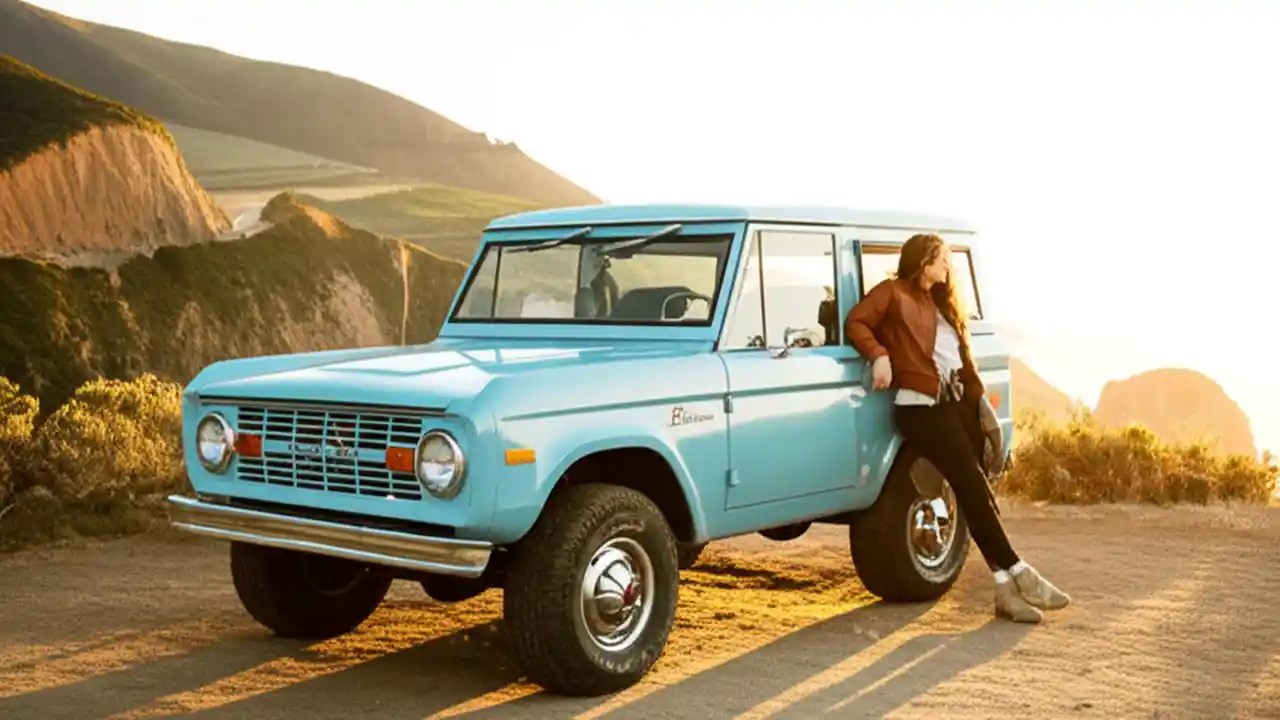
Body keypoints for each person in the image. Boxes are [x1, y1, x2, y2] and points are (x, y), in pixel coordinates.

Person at [844, 233, 1070, 623]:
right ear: (922, 262)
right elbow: (856, 321)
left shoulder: (945, 305)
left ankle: (1005, 587)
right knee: (970, 486)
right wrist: (879, 355)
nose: (948, 265)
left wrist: (980, 405)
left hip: (956, 403)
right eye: (941, 258)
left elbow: (963, 362)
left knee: (976, 491)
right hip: (921, 408)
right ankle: (1020, 573)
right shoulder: (893, 293)